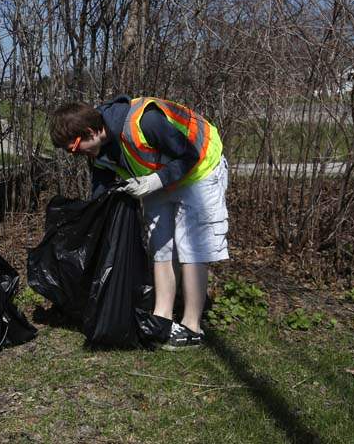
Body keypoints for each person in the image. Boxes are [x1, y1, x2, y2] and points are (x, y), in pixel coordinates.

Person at [49, 96, 229, 350]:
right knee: (160, 246)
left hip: (199, 170)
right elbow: (101, 193)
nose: (77, 155)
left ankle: (192, 327)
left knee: (192, 248)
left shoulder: (145, 121)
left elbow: (188, 155)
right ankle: (162, 318)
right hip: (157, 177)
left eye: (75, 147)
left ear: (90, 131)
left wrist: (155, 181)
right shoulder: (98, 149)